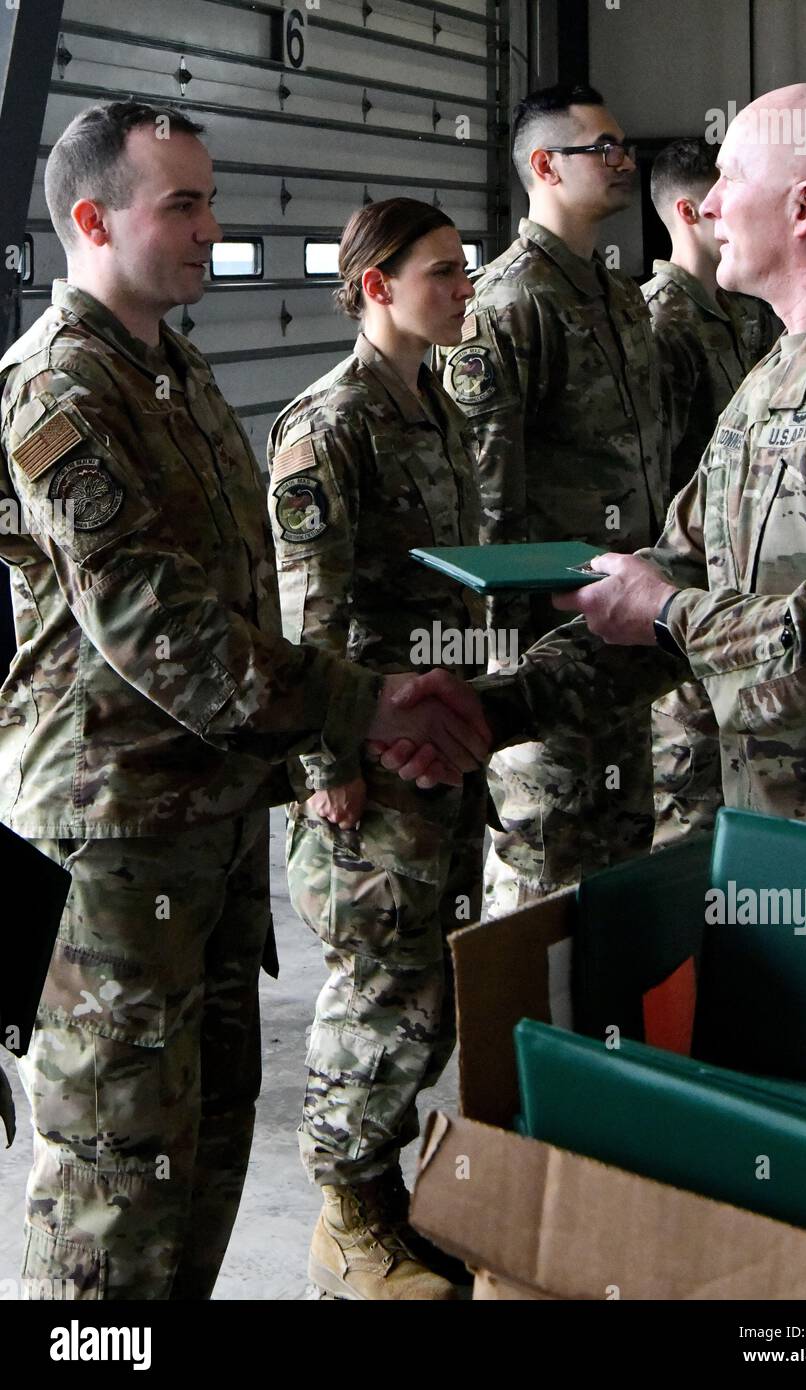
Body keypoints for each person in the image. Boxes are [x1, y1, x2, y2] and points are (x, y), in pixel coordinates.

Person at [0, 102, 488, 1300]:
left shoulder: (173, 374)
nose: (213, 228)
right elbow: (156, 624)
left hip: (209, 823)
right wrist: (361, 709)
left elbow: (248, 598)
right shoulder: (56, 392)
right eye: (185, 204)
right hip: (110, 845)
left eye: (213, 199)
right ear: (90, 217)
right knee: (114, 1180)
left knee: (207, 1149)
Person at [445, 84, 806, 845]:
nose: (708, 207)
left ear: (805, 210)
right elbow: (679, 568)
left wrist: (668, 613)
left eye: (730, 180)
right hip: (780, 830)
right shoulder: (778, 375)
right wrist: (491, 707)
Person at [268, 198, 485, 1300]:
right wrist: (326, 767)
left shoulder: (433, 405)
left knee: (424, 996)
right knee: (377, 995)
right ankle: (346, 1219)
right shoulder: (330, 424)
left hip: (434, 752)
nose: (463, 289)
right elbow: (307, 618)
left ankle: (382, 1203)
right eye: (443, 272)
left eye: (465, 269)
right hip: (369, 763)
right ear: (375, 288)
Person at [439, 82, 668, 917]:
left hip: (622, 628)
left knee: (620, 862)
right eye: (601, 148)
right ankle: (525, 1045)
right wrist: (507, 657)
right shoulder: (507, 303)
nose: (623, 161)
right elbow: (487, 494)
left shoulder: (616, 297)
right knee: (544, 874)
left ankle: (601, 1043)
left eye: (623, 146)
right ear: (544, 166)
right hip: (545, 637)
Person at [642, 138, 781, 849]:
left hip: (737, 587)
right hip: (691, 577)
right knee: (688, 796)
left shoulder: (735, 309)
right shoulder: (660, 322)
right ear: (693, 211)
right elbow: (659, 467)